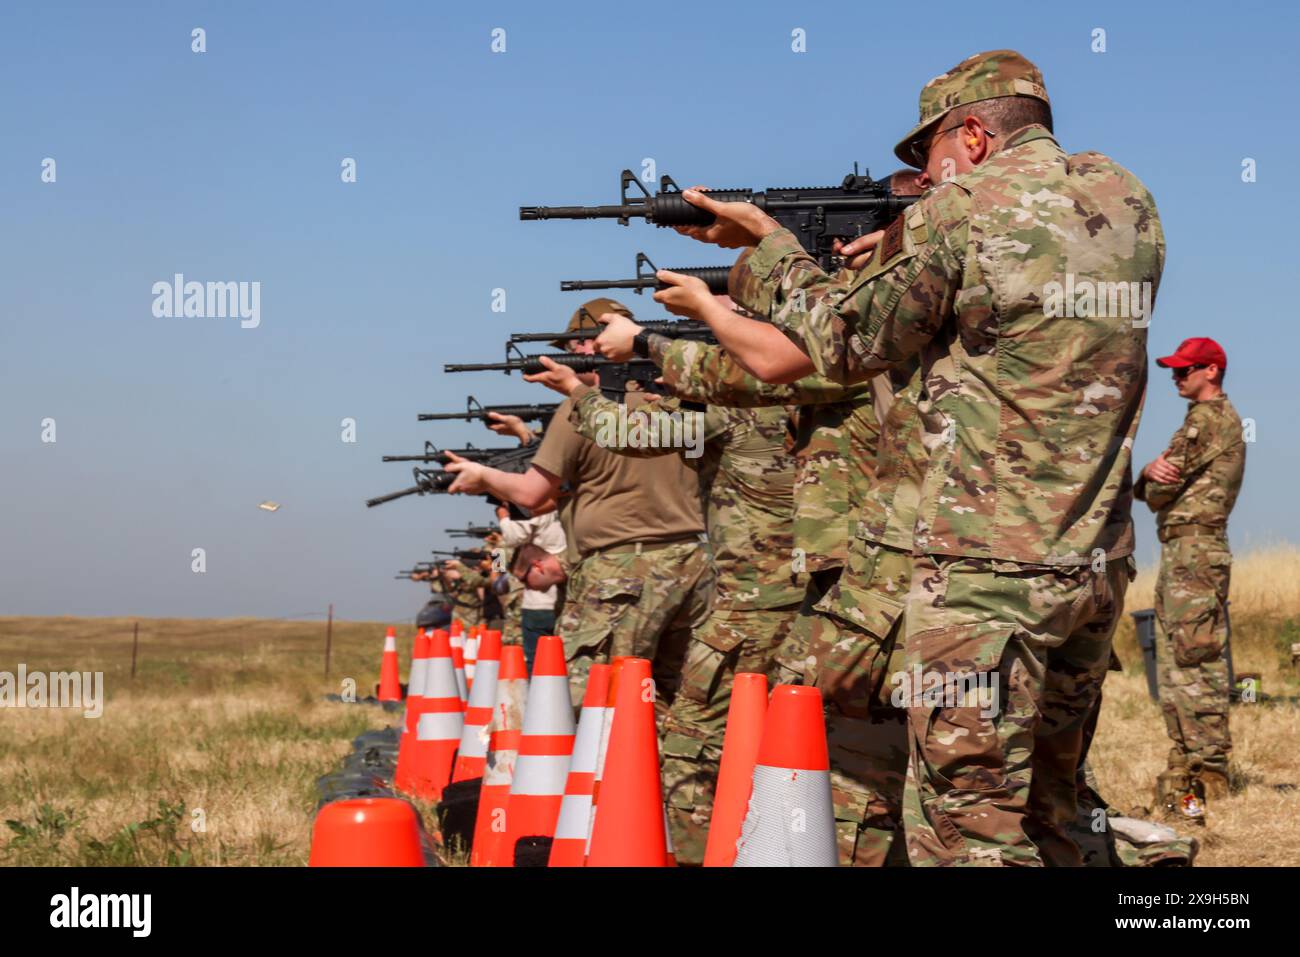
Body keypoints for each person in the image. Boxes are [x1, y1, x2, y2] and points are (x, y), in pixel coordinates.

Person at [645, 49, 1165, 866]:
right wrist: (906, 239)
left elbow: (842, 343)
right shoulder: (1127, 196)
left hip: (984, 579)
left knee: (968, 828)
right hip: (1096, 565)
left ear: (973, 134)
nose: (931, 176)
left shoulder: (961, 210)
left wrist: (772, 245)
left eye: (931, 156)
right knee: (1049, 814)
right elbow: (1016, 286)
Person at [444, 299, 715, 706]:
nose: (571, 356)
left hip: (617, 571)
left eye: (576, 345)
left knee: (591, 699)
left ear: (595, 345)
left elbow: (534, 497)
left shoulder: (583, 410)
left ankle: (601, 772)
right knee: (669, 699)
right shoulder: (679, 399)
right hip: (694, 564)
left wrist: (482, 476)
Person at [1135, 336, 1246, 814]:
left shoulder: (1209, 420)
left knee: (1195, 660)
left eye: (1185, 370)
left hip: (1195, 550)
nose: (1176, 378)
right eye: (1174, 371)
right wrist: (1147, 477)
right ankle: (1187, 761)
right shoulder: (1200, 419)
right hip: (1185, 549)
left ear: (1212, 372)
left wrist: (1147, 479)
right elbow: (1153, 486)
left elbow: (1159, 490)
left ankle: (1210, 769)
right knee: (1179, 660)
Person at [495, 505, 568, 669]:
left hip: (532, 606)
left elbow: (496, 579)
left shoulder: (510, 543)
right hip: (555, 604)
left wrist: (497, 545)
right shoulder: (562, 525)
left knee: (534, 663)